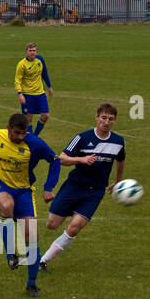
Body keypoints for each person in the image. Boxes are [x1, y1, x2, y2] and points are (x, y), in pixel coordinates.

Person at [0, 113, 60, 297]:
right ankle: (11, 254)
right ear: (8, 128)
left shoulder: (35, 144)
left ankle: (31, 283)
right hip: (0, 183)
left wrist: (48, 188)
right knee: (6, 206)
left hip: (24, 191)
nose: (20, 137)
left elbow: (55, 161)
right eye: (17, 133)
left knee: (32, 236)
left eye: (23, 133)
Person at [40, 102, 127, 272]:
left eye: (110, 119)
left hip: (95, 192)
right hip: (74, 186)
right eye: (103, 118)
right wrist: (81, 159)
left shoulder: (118, 141)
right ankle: (67, 206)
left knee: (74, 228)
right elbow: (62, 158)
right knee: (52, 224)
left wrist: (118, 181)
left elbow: (121, 160)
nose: (106, 122)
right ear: (97, 117)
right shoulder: (82, 138)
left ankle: (43, 261)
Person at [14, 42, 53, 136]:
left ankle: (35, 136)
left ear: (36, 51)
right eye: (30, 51)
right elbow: (17, 80)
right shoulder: (22, 64)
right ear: (26, 52)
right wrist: (20, 94)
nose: (32, 53)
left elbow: (44, 73)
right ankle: (31, 138)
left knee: (45, 115)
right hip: (27, 94)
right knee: (28, 119)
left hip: (40, 93)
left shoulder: (40, 60)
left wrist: (49, 87)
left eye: (34, 51)